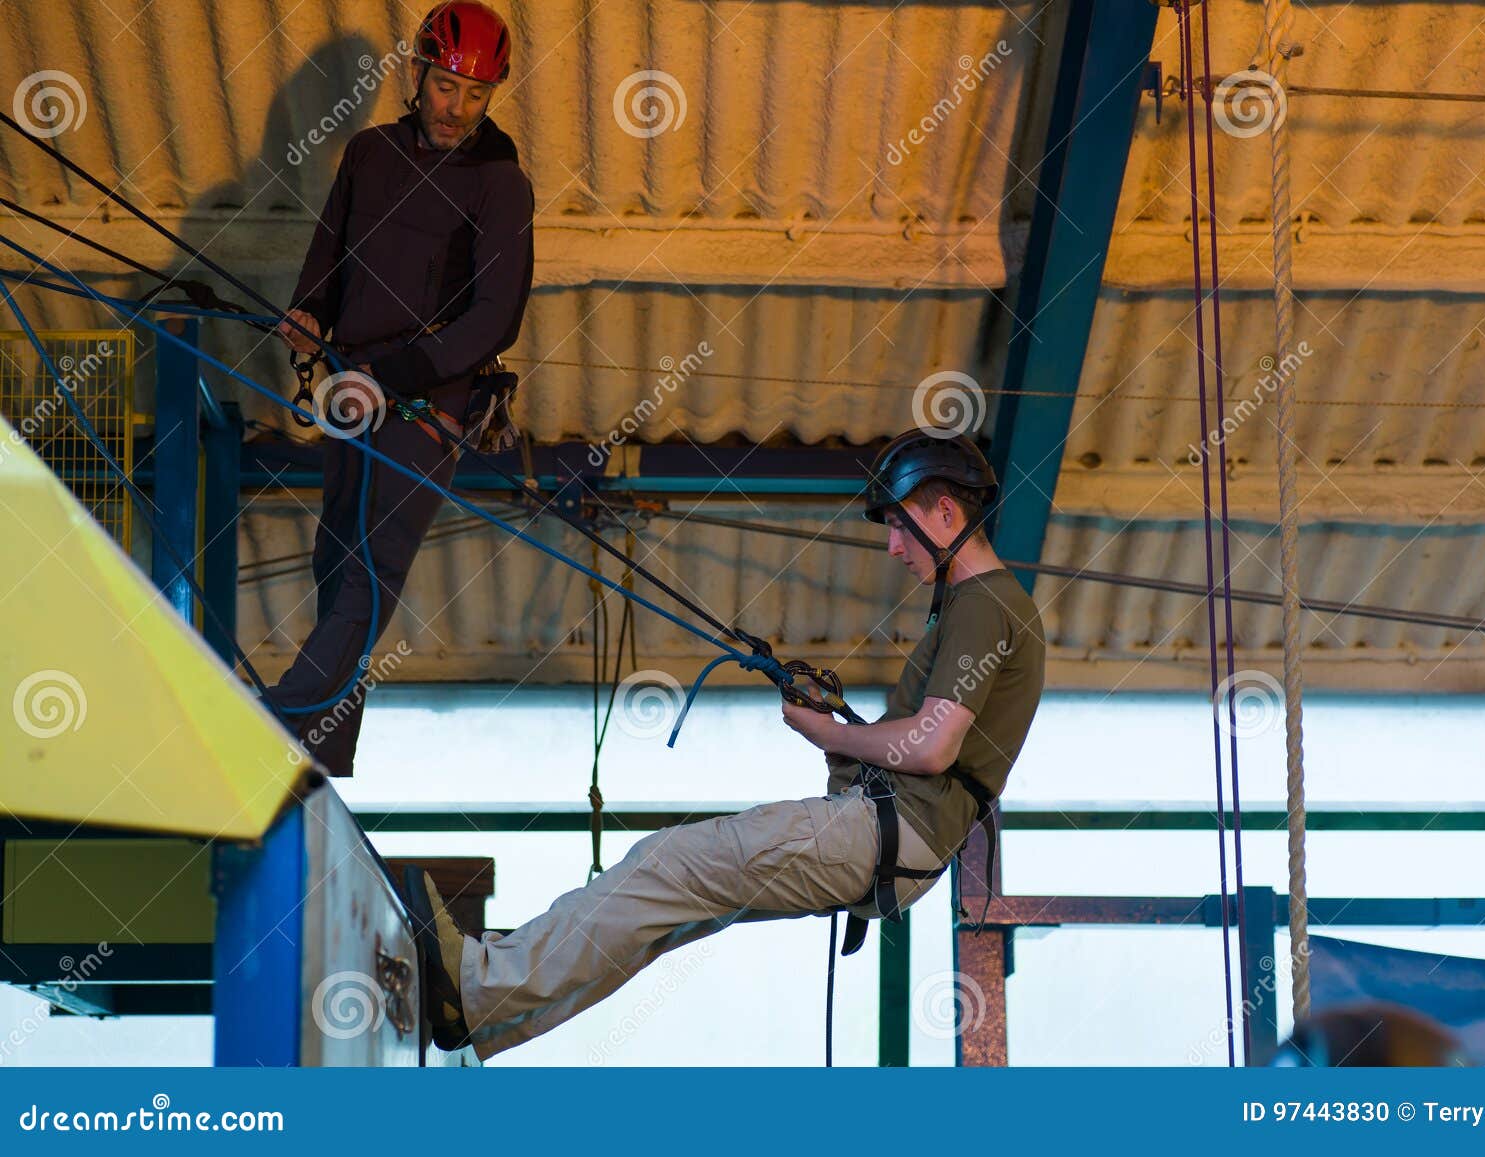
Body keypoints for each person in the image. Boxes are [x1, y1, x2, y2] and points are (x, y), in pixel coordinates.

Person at [401, 431, 1047, 1061]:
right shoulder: (984, 604)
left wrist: (829, 731)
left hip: (892, 830)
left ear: (946, 510)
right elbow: (927, 746)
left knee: (668, 864)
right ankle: (484, 1013)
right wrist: (842, 741)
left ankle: (479, 984)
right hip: (898, 836)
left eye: (902, 525)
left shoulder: (985, 602)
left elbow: (932, 746)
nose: (892, 545)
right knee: (669, 907)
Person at [270, 1, 533, 775]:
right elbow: (331, 248)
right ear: (417, 74)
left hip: (430, 397)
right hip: (355, 378)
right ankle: (325, 749)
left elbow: (495, 318)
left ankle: (286, 717)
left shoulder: (499, 184)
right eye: (448, 87)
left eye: (477, 94)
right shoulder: (369, 154)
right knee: (334, 554)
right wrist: (311, 312)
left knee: (373, 562)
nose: (459, 109)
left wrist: (394, 374)